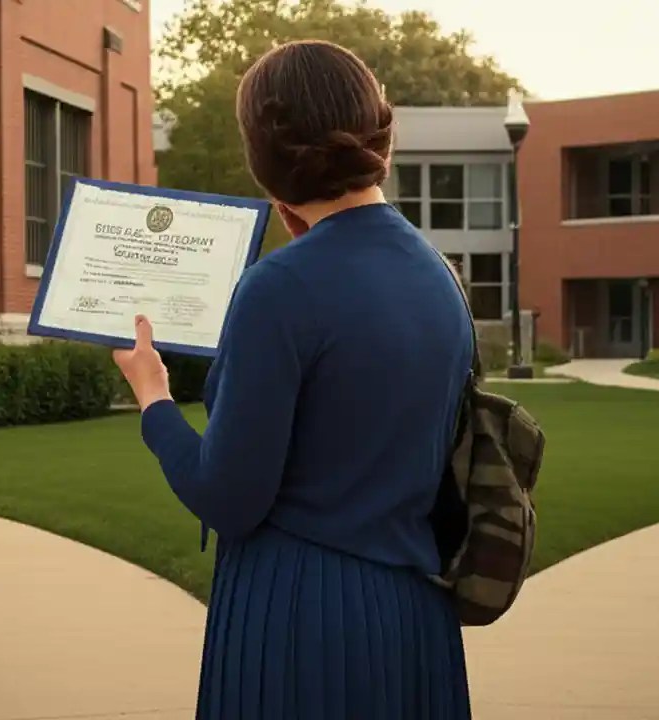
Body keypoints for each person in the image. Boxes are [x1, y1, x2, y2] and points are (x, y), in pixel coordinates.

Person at [113, 40, 473, 719]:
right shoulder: (440, 276)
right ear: (380, 140)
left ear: (265, 160)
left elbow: (228, 497)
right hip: (417, 613)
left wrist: (154, 400)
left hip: (299, 618)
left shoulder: (277, 288)